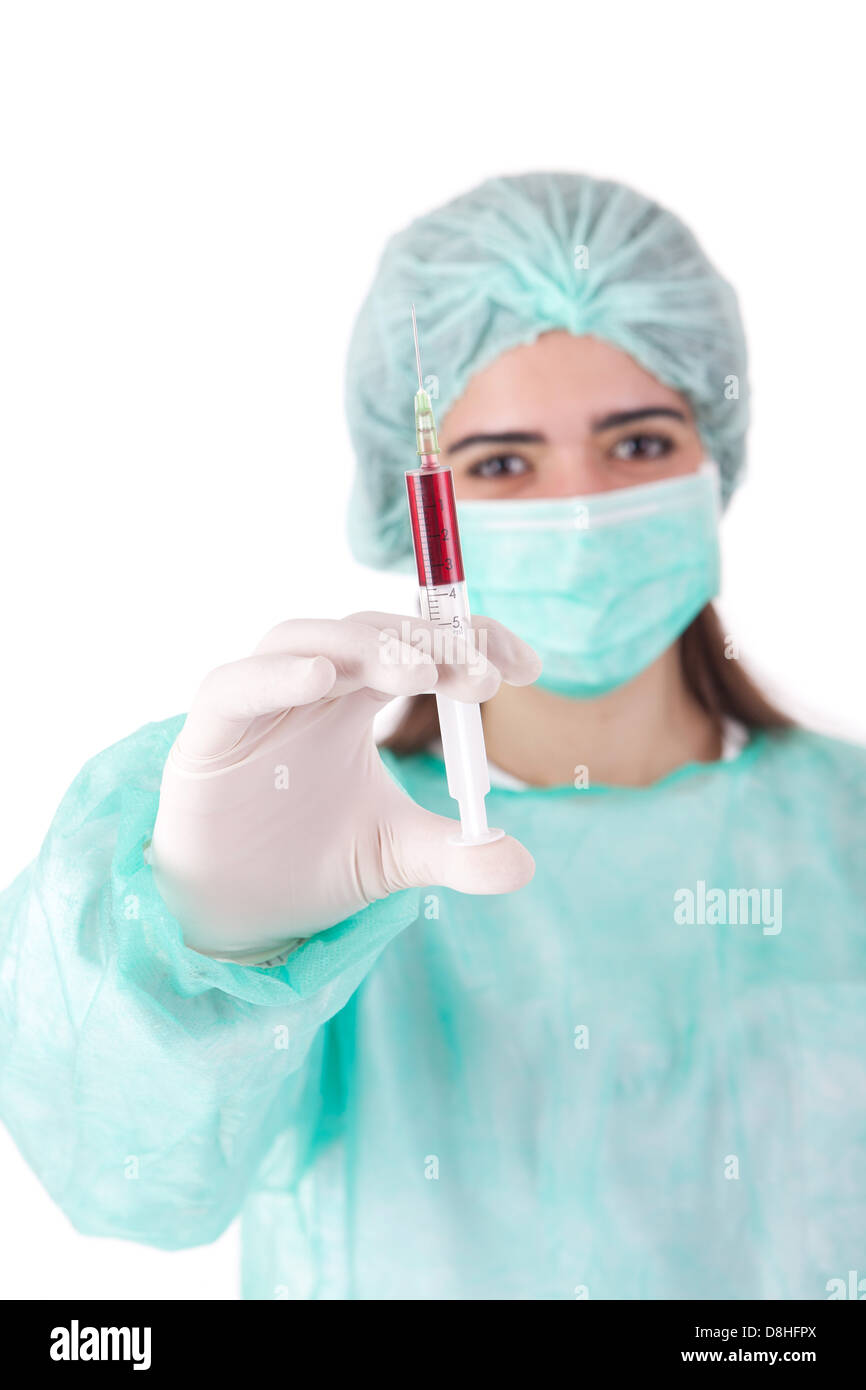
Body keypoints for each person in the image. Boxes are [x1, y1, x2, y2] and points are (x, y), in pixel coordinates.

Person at [1, 172, 864, 1300]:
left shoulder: (843, 837)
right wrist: (210, 953)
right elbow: (123, 1186)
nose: (580, 500)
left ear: (714, 460)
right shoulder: (333, 862)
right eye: (500, 463)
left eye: (639, 442)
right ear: (416, 508)